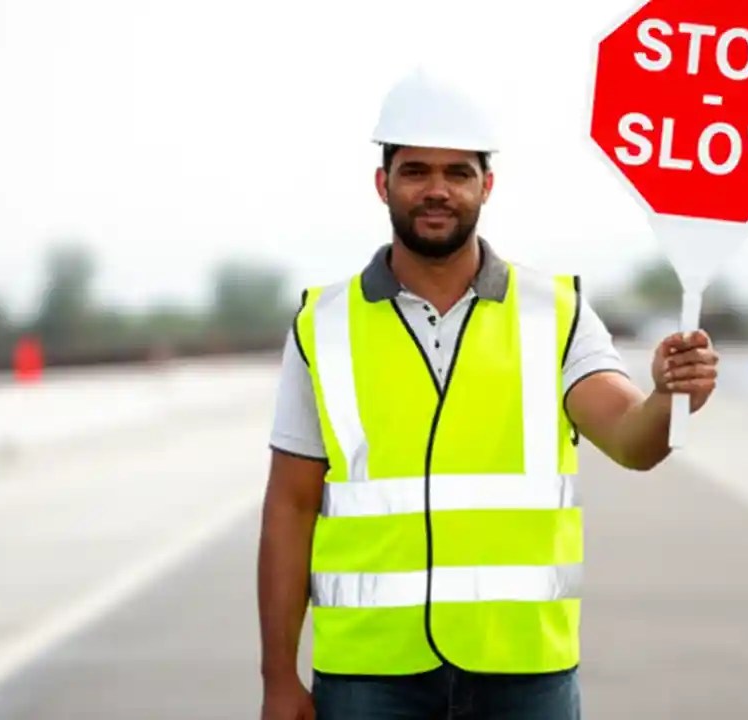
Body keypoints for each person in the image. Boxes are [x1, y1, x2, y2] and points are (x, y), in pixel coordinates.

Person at [257, 67, 720, 720]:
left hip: (523, 671)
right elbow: (290, 506)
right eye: (416, 170)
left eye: (458, 172)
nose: (437, 190)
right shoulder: (321, 326)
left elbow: (630, 439)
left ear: (488, 185)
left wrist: (671, 397)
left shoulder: (558, 314)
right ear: (382, 183)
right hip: (368, 673)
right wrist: (279, 675)